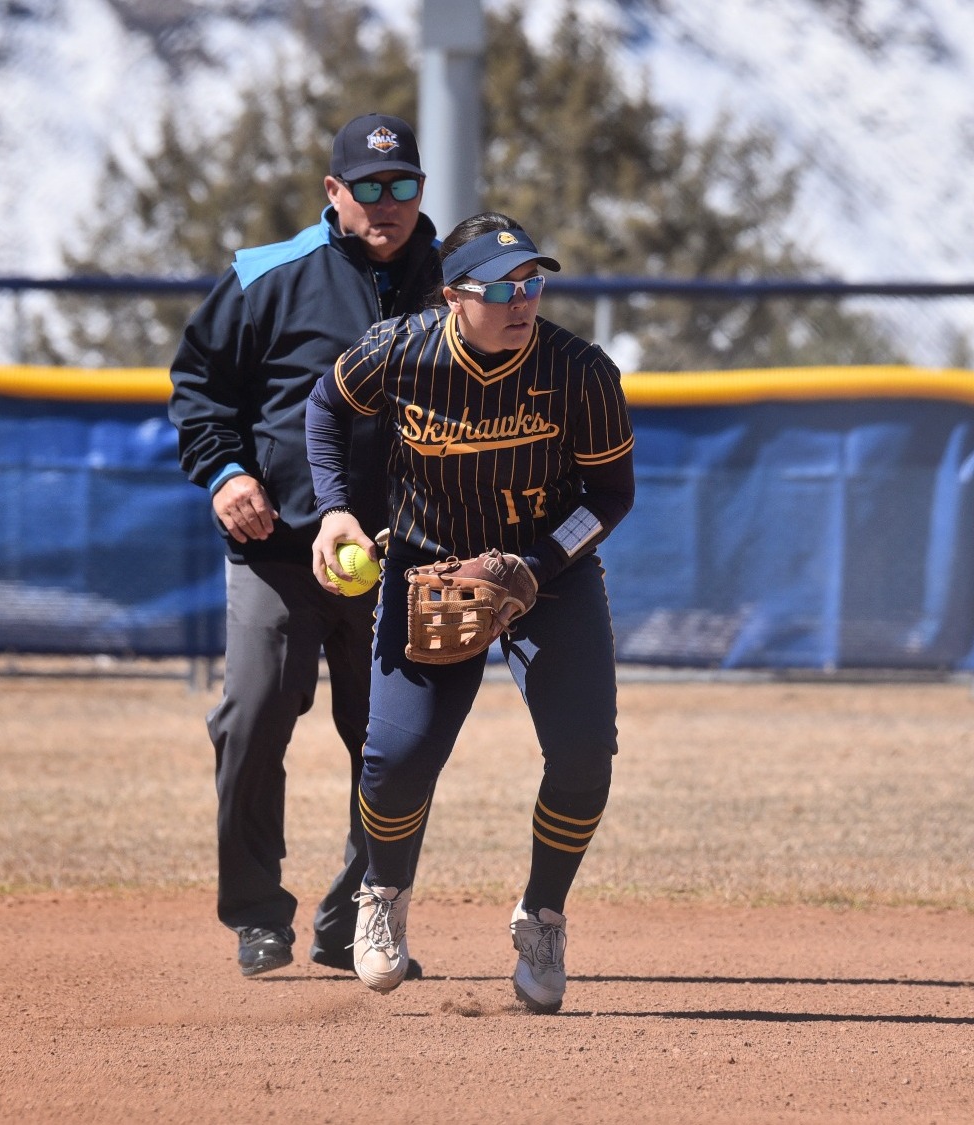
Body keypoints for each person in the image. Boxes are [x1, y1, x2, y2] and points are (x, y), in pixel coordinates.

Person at [305, 212, 636, 1014]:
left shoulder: (579, 371)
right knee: (394, 758)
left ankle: (543, 916)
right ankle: (384, 893)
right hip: (430, 569)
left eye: (532, 283)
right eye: (499, 288)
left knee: (585, 755)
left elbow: (609, 495)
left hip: (548, 576)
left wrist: (534, 567)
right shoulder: (399, 351)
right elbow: (325, 406)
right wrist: (335, 509)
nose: (521, 301)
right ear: (454, 295)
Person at [167, 113, 443, 978]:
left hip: (406, 559)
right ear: (334, 191)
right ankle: (256, 912)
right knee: (251, 717)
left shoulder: (457, 284)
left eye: (403, 186)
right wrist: (225, 473)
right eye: (369, 187)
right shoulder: (267, 276)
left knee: (400, 745)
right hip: (280, 545)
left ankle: (357, 919)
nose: (387, 202)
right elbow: (199, 386)